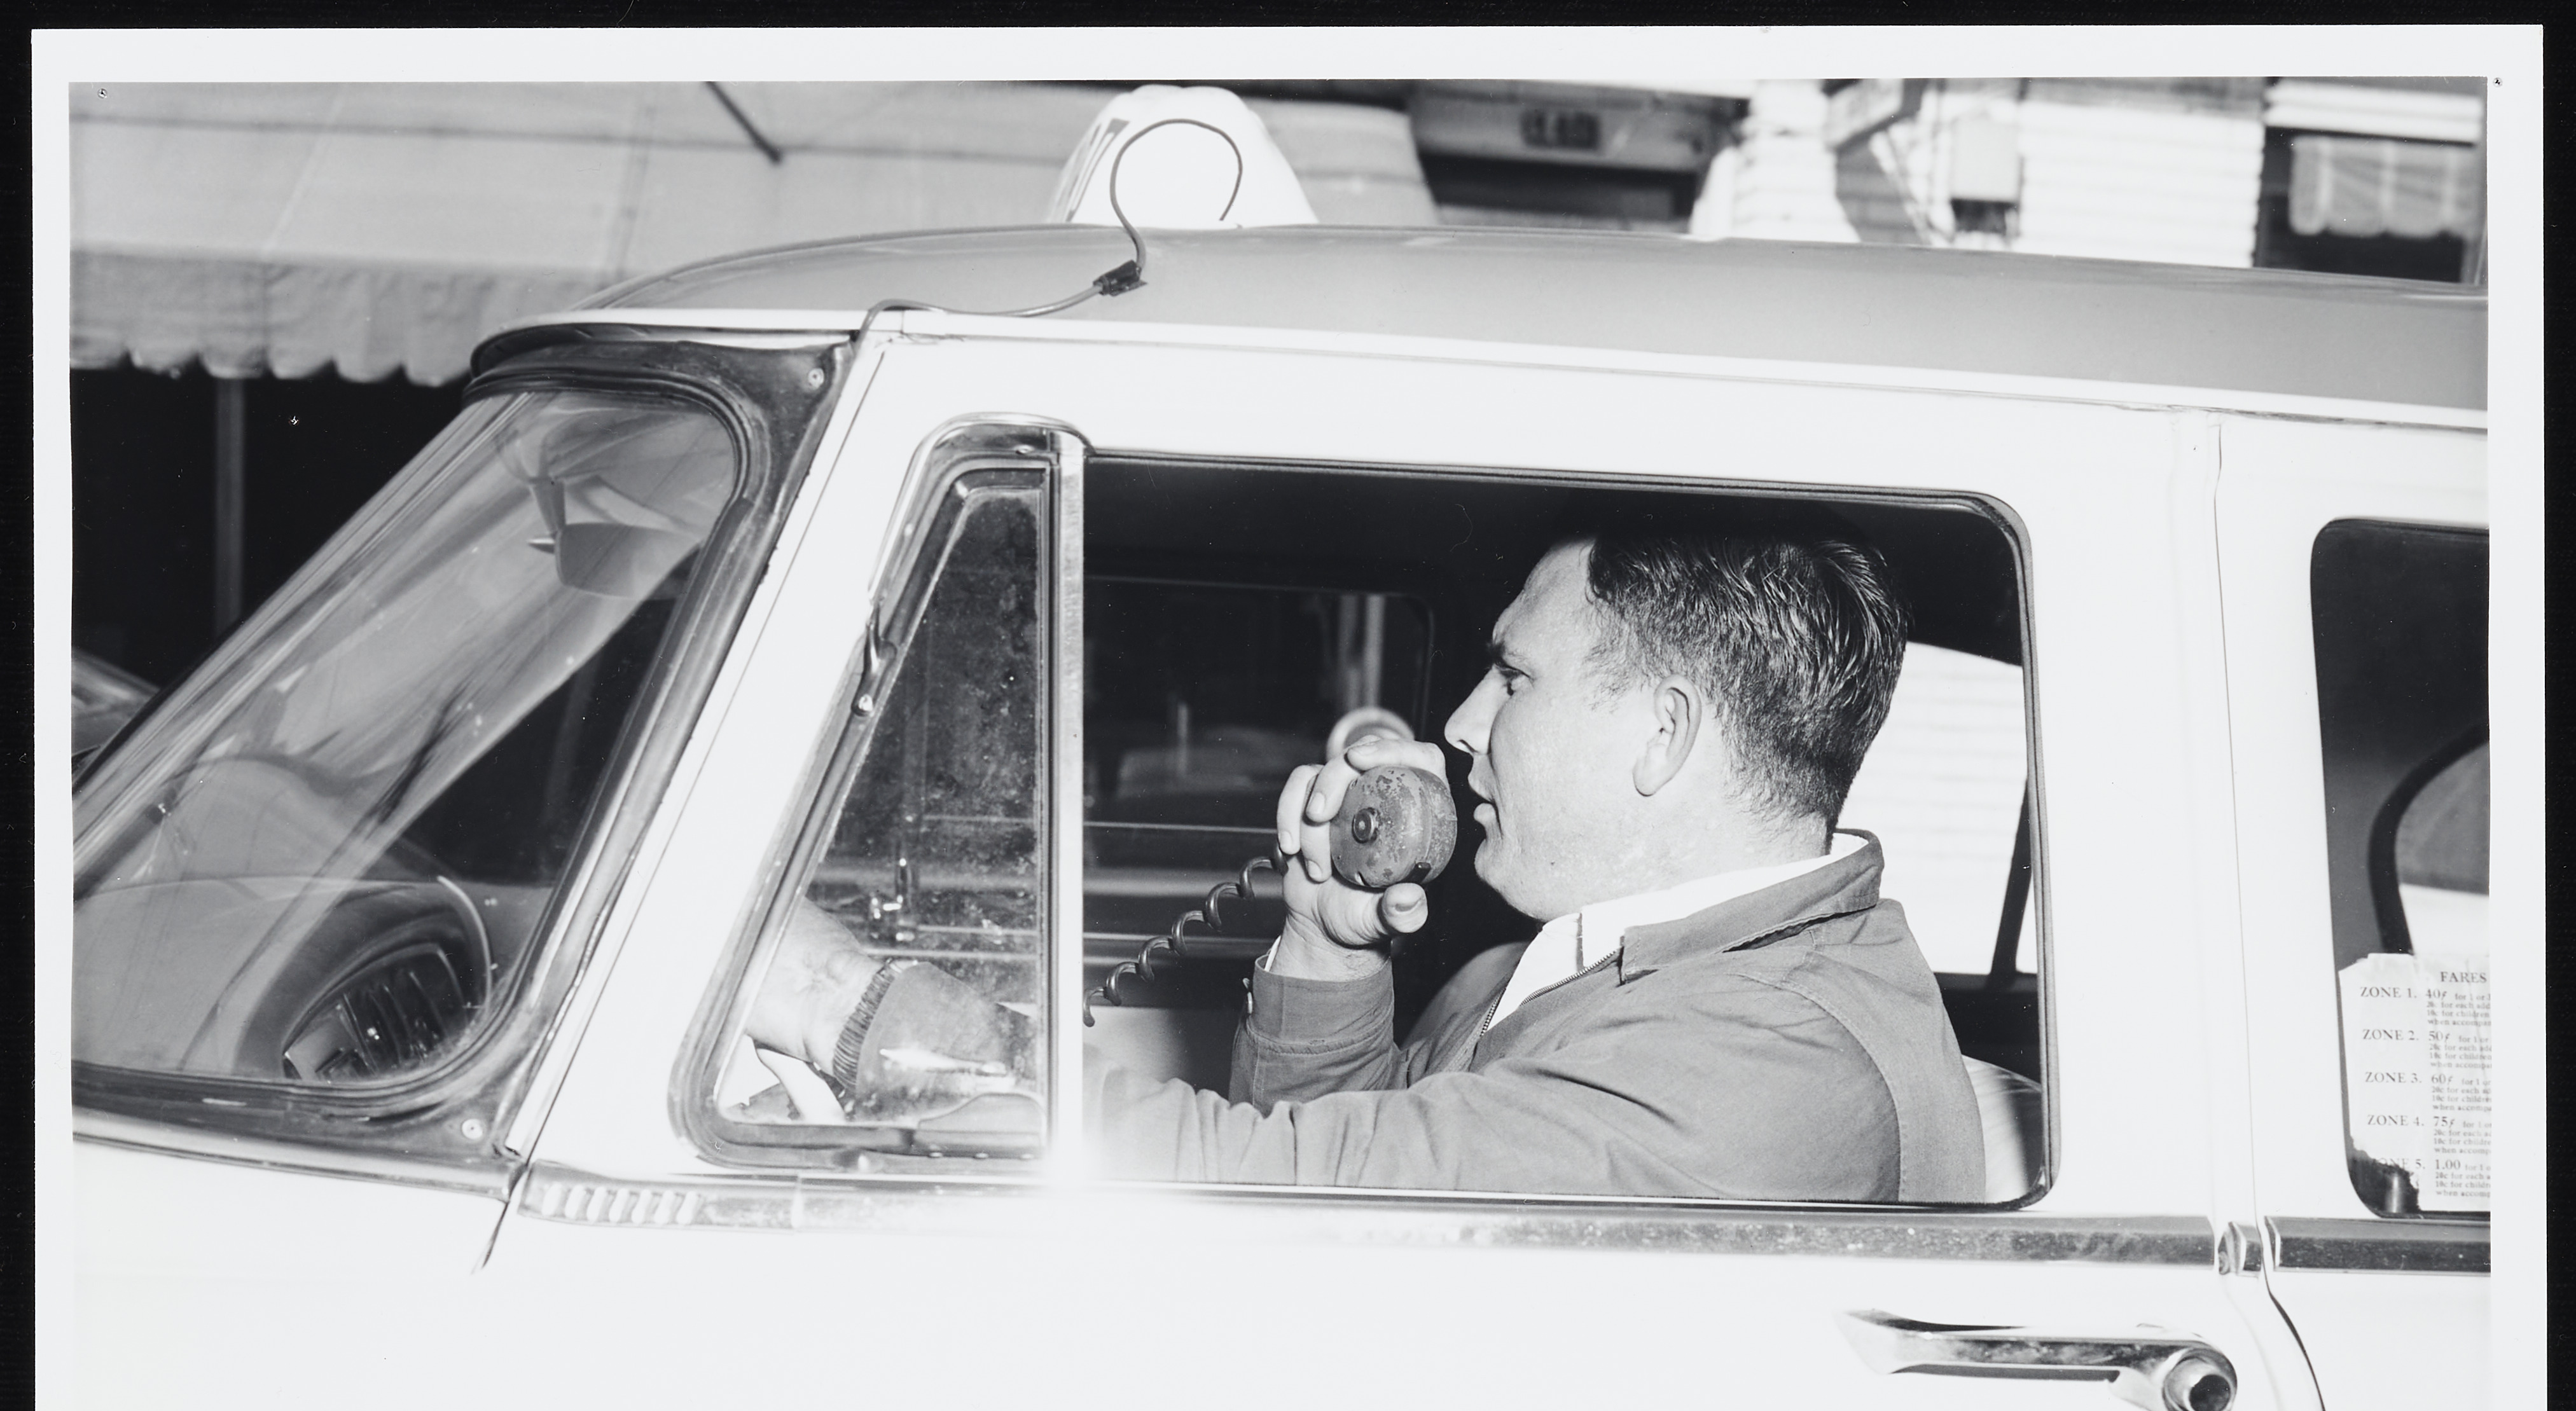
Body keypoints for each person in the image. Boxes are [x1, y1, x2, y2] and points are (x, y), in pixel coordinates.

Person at [748, 515, 1984, 1202]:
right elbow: (1357, 1154)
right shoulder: (1567, 967)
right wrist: (1330, 944)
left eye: (1513, 678)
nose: (1460, 726)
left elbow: (1276, 1196)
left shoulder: (1762, 1064)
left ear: (1662, 734)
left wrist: (842, 1004)